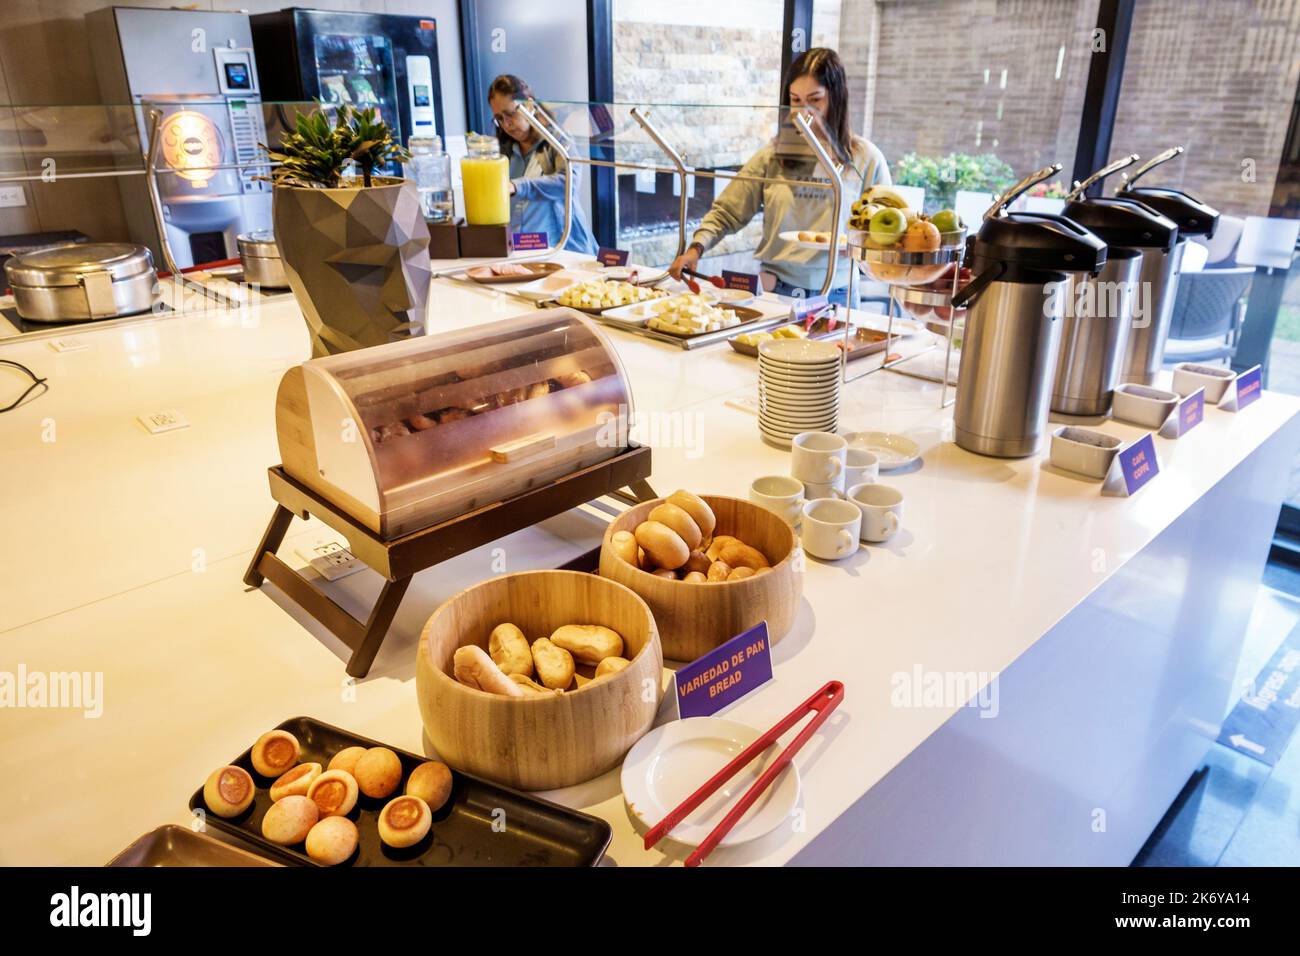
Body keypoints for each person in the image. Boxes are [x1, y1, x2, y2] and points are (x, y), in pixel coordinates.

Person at [669, 48, 890, 306]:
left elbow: (885, 234)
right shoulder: (773, 156)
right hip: (778, 290)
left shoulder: (865, 158)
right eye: (795, 100)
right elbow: (728, 211)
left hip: (839, 294)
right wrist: (696, 248)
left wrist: (859, 248)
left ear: (837, 99)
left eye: (815, 100)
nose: (804, 112)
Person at [488, 74, 598, 255]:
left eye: (510, 114)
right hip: (520, 252)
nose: (507, 124)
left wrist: (518, 186)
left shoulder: (558, 140)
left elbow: (569, 183)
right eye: (499, 118)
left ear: (529, 105)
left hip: (560, 250)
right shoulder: (502, 151)